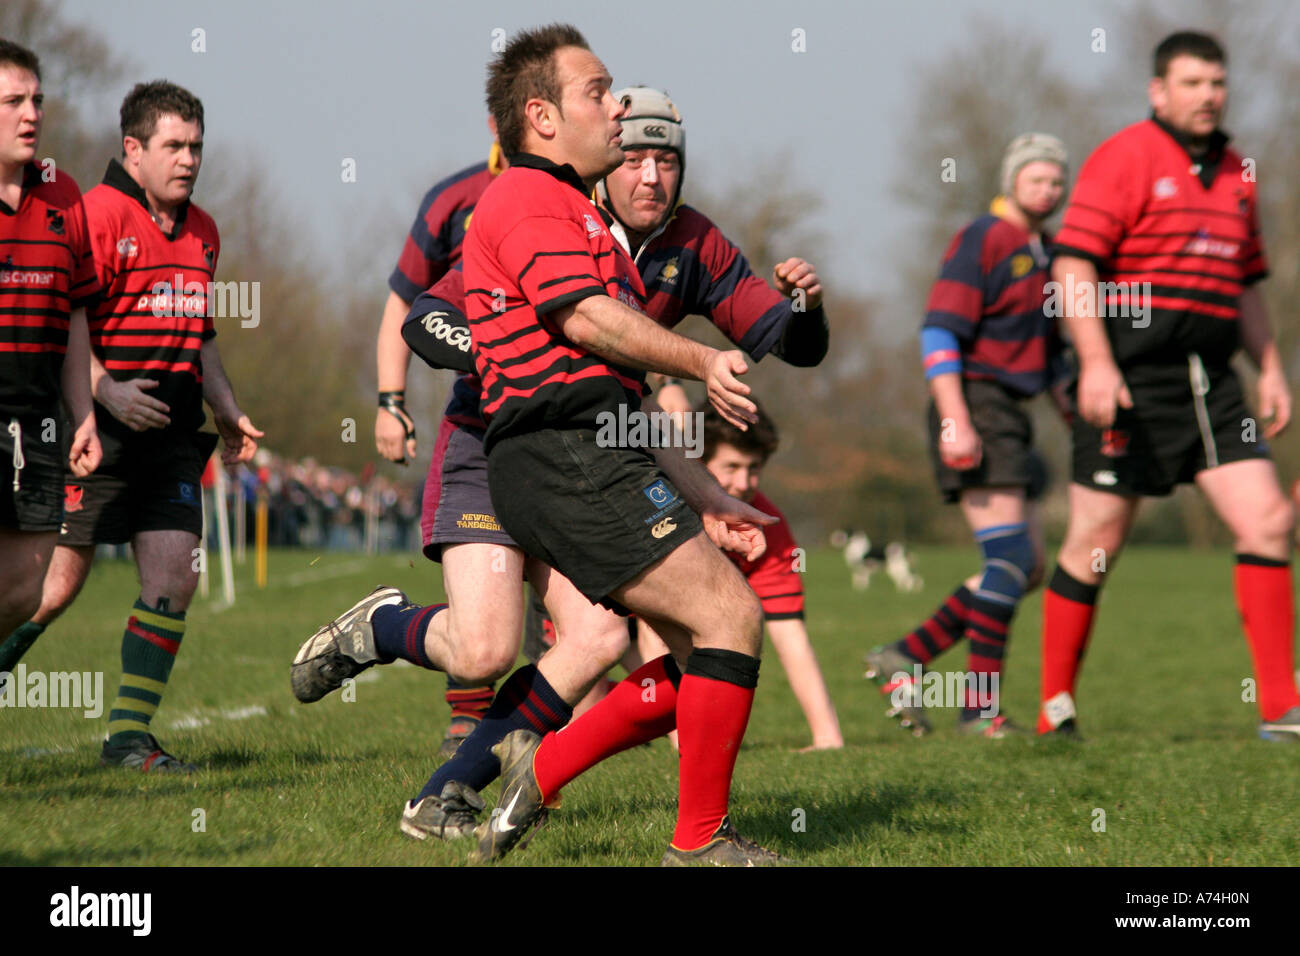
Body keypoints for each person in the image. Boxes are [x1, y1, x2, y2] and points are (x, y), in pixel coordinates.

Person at [294, 80, 827, 859]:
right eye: (636, 155)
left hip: (593, 450)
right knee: (483, 649)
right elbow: (426, 317)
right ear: (606, 156)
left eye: (668, 160)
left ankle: (462, 785)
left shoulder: (694, 245)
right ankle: (382, 628)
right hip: (490, 439)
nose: (652, 175)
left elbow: (788, 341)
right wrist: (522, 359)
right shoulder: (546, 209)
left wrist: (805, 307)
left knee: (600, 638)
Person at [1038, 31, 1300, 740]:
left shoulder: (1239, 169)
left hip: (1213, 382)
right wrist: (1095, 362)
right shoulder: (1124, 157)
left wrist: (1270, 366)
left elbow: (1246, 283)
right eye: (1191, 83)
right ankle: (1053, 709)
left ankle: (1282, 710)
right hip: (1129, 378)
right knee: (1097, 539)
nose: (1208, 95)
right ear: (1159, 91)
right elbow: (1073, 268)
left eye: (1216, 83)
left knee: (1270, 523)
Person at [7, 80, 263, 770]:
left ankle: (127, 739)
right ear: (133, 149)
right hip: (96, 433)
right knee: (49, 589)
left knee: (175, 576)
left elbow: (202, 336)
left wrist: (228, 408)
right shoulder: (92, 215)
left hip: (173, 437)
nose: (188, 159)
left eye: (196, 147)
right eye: (173, 146)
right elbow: (59, 322)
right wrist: (105, 393)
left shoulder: (205, 231)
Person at [864, 133, 1069, 738]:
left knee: (1026, 566)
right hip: (974, 400)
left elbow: (1052, 359)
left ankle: (908, 656)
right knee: (1009, 559)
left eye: (1058, 180)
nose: (1048, 189)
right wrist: (955, 414)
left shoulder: (1048, 251)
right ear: (1011, 180)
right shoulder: (985, 237)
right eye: (1036, 177)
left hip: (1010, 410)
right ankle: (979, 710)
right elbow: (938, 332)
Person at [373, 136, 510, 756]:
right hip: (481, 424)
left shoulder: (587, 198)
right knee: (482, 588)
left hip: (568, 430)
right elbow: (405, 302)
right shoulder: (454, 200)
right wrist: (390, 402)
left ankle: (544, 727)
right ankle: (468, 715)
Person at [637, 401, 842, 751]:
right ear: (696, 462)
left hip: (668, 629)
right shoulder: (662, 508)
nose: (744, 483)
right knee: (598, 665)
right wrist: (680, 738)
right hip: (610, 614)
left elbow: (790, 634)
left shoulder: (766, 523)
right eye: (731, 467)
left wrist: (827, 737)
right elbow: (651, 628)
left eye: (754, 468)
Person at [0, 39, 101, 680]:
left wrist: (84, 413)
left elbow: (75, 317)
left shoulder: (62, 195)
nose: (31, 113)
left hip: (38, 418)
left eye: (36, 100)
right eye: (13, 101)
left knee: (29, 583)